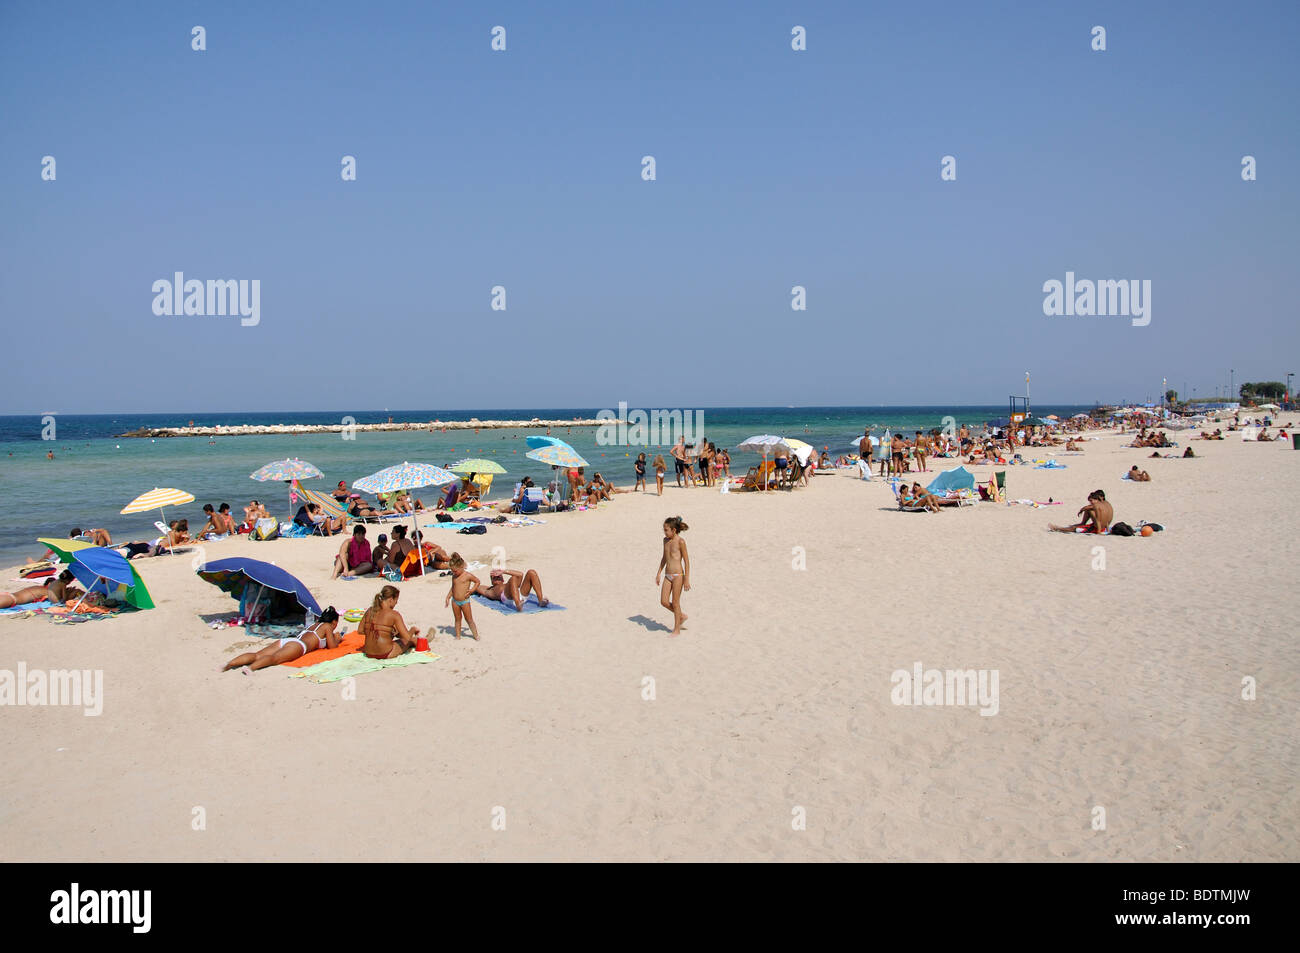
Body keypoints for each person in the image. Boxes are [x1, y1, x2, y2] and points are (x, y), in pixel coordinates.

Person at [222, 608, 343, 672]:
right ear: (333, 622)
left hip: (288, 640)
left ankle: (229, 664)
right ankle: (250, 668)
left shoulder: (315, 623)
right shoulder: (327, 627)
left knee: (257, 655)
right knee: (275, 659)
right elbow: (332, 647)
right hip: (299, 646)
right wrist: (337, 639)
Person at [360, 585, 420, 658]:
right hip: (385, 653)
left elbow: (360, 631)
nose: (396, 603)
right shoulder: (394, 615)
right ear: (391, 599)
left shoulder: (370, 610)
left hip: (368, 653)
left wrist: (383, 632)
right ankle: (423, 639)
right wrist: (412, 630)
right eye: (396, 601)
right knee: (412, 640)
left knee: (400, 638)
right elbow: (407, 637)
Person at [655, 516, 691, 636]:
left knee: (675, 602)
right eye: (664, 530)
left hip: (678, 575)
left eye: (666, 530)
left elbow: (686, 561)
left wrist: (686, 579)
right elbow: (664, 557)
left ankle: (677, 629)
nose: (664, 532)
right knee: (664, 601)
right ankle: (681, 615)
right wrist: (659, 573)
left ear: (674, 530)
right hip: (667, 575)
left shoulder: (681, 542)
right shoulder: (665, 541)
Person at [473, 568, 549, 611]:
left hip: (520, 594)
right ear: (492, 582)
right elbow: (478, 587)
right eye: (494, 578)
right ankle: (518, 605)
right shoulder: (490, 589)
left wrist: (504, 571)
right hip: (508, 599)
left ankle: (540, 601)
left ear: (503, 579)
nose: (497, 577)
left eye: (499, 576)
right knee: (513, 579)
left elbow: (520, 574)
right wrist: (470, 591)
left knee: (531, 572)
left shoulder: (508, 584)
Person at [444, 554, 481, 640]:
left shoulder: (467, 575)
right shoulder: (454, 576)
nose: (454, 573)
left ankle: (476, 635)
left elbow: (477, 581)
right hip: (455, 601)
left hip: (465, 601)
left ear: (461, 567)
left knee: (469, 619)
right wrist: (448, 597)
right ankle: (458, 636)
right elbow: (453, 587)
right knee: (457, 619)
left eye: (455, 571)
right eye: (452, 571)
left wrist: (472, 590)